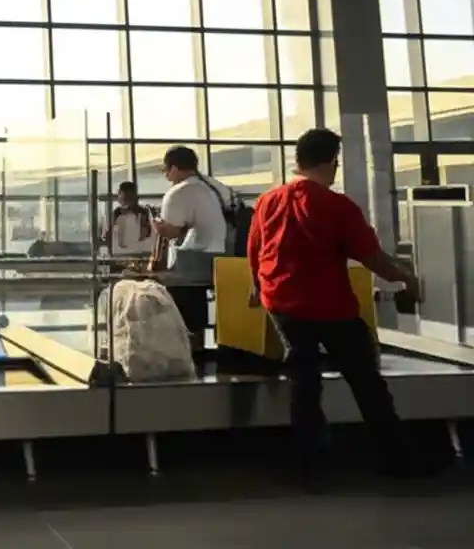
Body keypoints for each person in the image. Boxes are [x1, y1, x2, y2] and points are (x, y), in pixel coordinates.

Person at [247, 128, 432, 486]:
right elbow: (372, 257)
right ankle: (397, 459)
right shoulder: (337, 206)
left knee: (304, 382)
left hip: (282, 304)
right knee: (366, 381)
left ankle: (312, 467)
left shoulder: (268, 200)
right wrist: (407, 277)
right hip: (329, 307)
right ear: (332, 161)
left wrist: (257, 286)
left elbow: (255, 249)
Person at [151, 146, 229, 349]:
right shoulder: (213, 186)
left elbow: (171, 232)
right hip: (222, 255)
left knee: (181, 307)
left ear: (174, 168)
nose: (167, 176)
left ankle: (185, 353)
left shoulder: (179, 191)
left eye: (166, 170)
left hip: (195, 259)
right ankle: (200, 348)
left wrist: (158, 226)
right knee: (197, 305)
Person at [105, 181, 155, 257]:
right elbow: (107, 235)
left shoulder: (143, 213)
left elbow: (145, 234)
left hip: (137, 254)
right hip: (123, 254)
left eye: (119, 194)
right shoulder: (116, 213)